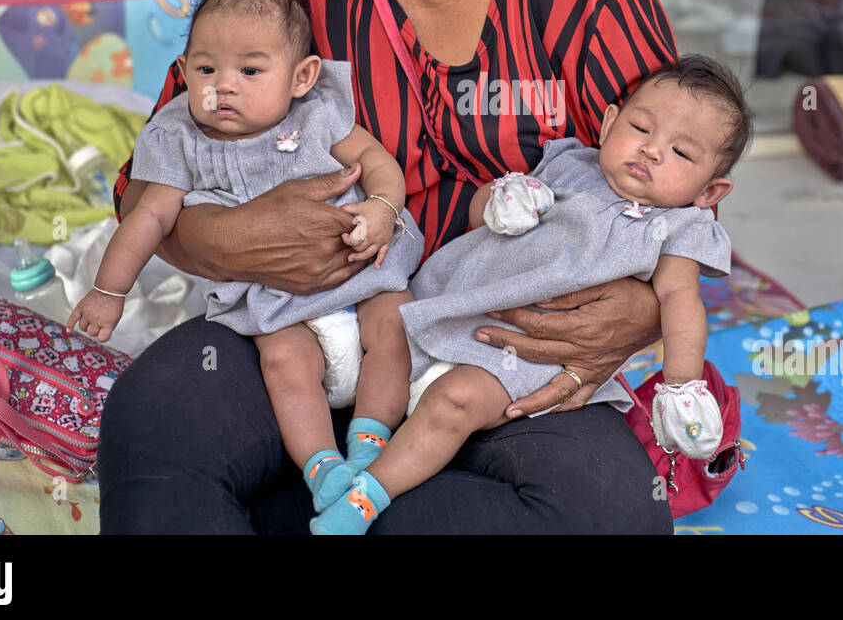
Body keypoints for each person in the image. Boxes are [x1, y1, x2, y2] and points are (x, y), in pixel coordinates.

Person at [98, 0, 683, 534]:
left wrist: (640, 313)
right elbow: (147, 178)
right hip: (304, 326)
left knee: (612, 513)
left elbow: (685, 181)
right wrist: (225, 238)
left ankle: (334, 506)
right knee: (160, 420)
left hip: (499, 352)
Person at [312, 55, 750, 533]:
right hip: (443, 303)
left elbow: (681, 302)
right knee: (374, 332)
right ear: (607, 123)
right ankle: (359, 447)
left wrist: (681, 387)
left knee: (452, 403)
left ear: (710, 192)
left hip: (522, 356)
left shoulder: (680, 228)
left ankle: (366, 497)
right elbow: (481, 214)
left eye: (682, 153)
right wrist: (502, 199)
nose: (651, 151)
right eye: (641, 127)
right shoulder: (569, 163)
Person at [68, 0, 422, 512]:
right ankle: (323, 467)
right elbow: (148, 217)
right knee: (284, 361)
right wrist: (108, 292)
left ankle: (370, 442)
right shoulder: (178, 136)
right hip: (277, 299)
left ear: (301, 77)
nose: (223, 87)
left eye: (250, 71)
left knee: (396, 323)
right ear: (184, 72)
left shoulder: (319, 114)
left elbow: (377, 164)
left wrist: (382, 207)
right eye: (207, 70)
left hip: (362, 273)